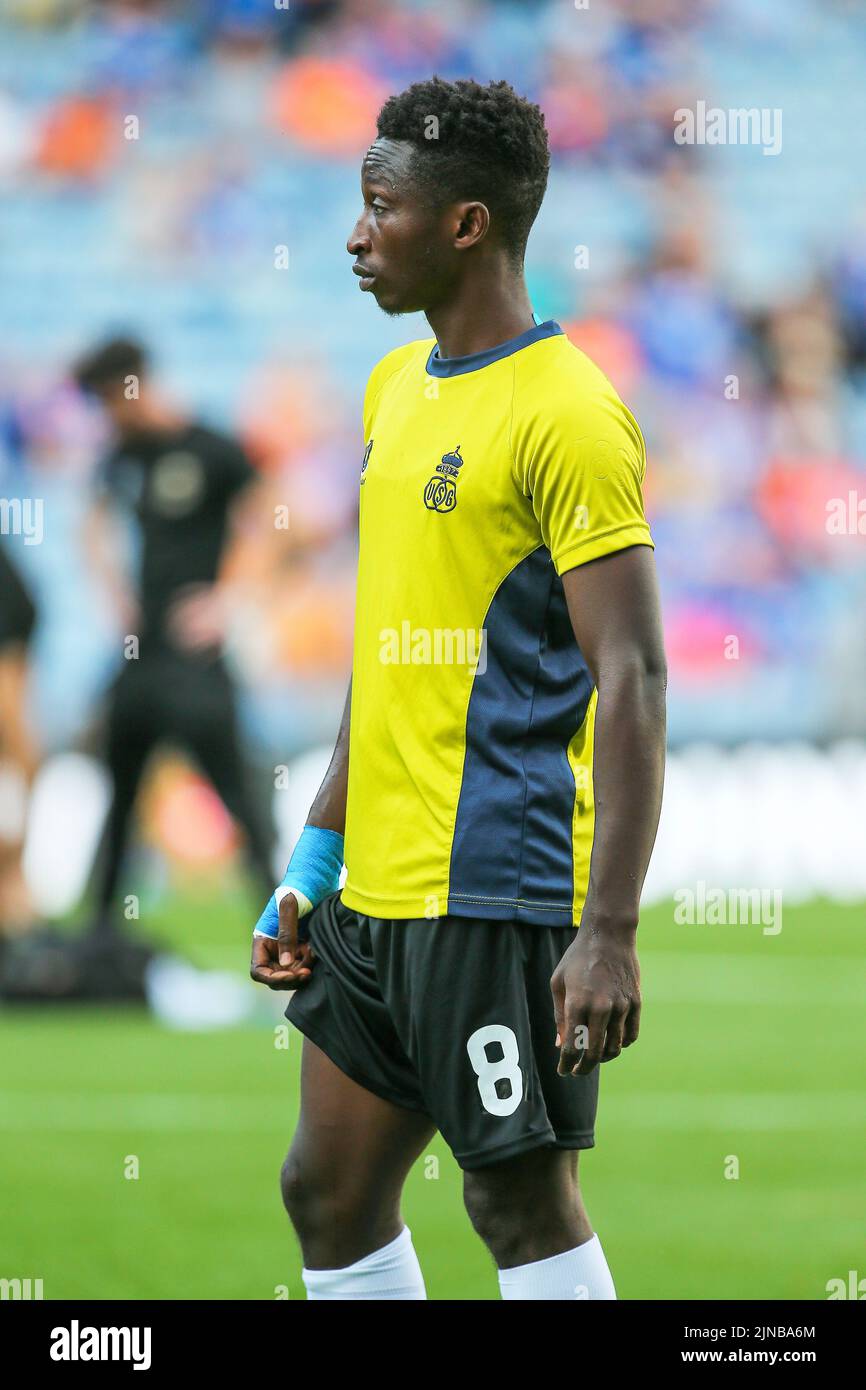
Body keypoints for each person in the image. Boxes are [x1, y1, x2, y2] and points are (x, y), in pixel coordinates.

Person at [251, 77, 667, 1301]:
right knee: (324, 1192)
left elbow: (633, 674)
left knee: (514, 1199)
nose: (355, 232)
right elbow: (383, 652)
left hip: (492, 886)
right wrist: (313, 865)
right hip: (369, 889)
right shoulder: (393, 388)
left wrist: (609, 931)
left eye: (380, 205)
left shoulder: (570, 414)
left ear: (467, 224)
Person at [74, 337, 275, 933]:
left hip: (197, 658)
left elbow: (270, 517)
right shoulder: (123, 456)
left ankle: (286, 934)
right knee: (119, 796)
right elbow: (90, 524)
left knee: (238, 799)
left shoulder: (210, 449)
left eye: (110, 400)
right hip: (141, 658)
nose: (107, 415)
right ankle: (100, 942)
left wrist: (228, 599)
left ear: (134, 383)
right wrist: (114, 596)